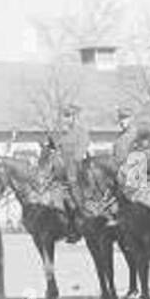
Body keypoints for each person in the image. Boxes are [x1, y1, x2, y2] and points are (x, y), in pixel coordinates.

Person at [54, 102, 90, 241]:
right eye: (65, 116)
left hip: (78, 170)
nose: (66, 119)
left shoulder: (81, 132)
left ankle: (82, 223)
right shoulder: (63, 135)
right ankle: (70, 228)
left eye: (68, 116)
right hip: (64, 173)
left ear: (75, 117)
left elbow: (82, 148)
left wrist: (73, 162)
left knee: (77, 198)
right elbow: (57, 152)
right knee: (61, 199)